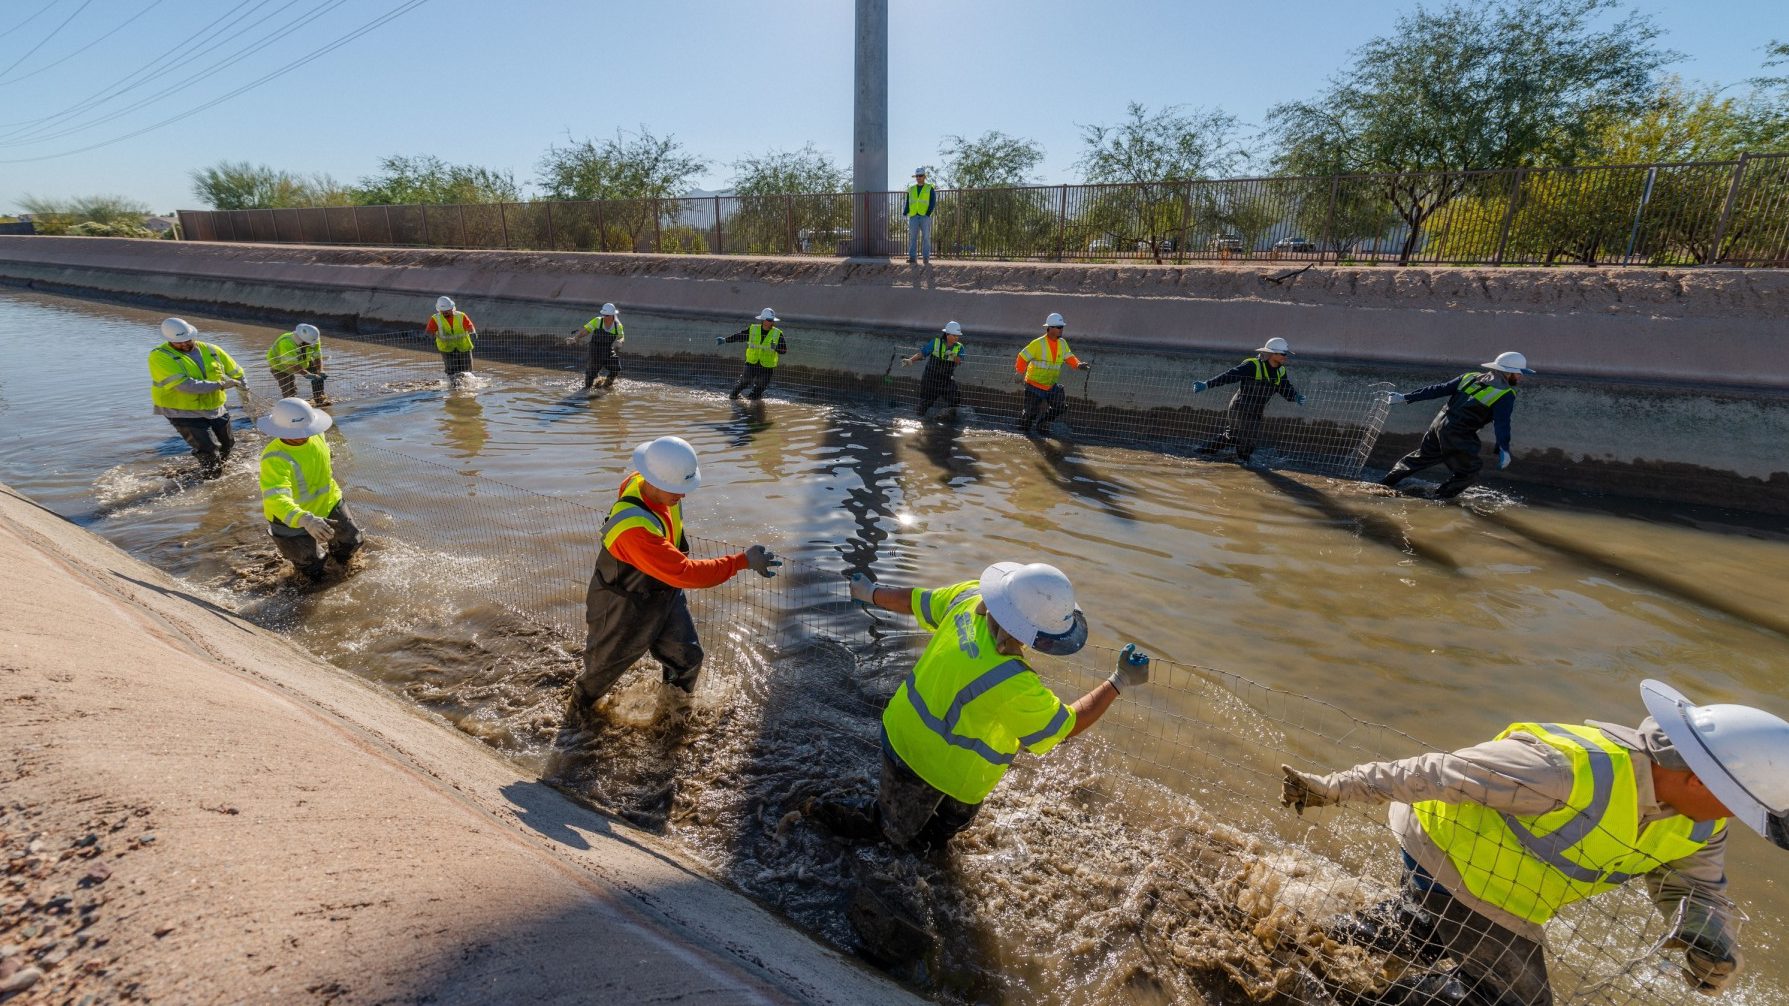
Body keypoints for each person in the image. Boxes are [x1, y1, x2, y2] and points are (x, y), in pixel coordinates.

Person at [1278, 678, 1789, 1005]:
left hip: (1505, 889)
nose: (1736, 818)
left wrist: (1713, 941)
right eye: (1740, 804)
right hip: (1442, 848)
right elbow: (1442, 773)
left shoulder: (1702, 823)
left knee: (1426, 932)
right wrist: (1333, 788)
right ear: (1702, 780)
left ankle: (1304, 941)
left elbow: (1696, 892)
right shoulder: (1568, 768)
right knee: (1512, 1000)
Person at [810, 563, 1151, 853]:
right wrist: (1119, 681)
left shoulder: (969, 597)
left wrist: (870, 593)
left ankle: (917, 857)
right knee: (892, 832)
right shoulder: (1013, 681)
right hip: (923, 762)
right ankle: (814, 814)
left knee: (930, 831)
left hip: (912, 742)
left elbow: (916, 601)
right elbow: (1066, 724)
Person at [576, 436, 783, 712]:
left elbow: (675, 571)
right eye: (676, 488)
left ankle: (671, 714)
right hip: (621, 604)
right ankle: (576, 716)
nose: (683, 495)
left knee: (688, 659)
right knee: (600, 674)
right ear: (653, 480)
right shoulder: (634, 530)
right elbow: (686, 573)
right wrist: (740, 561)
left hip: (663, 593)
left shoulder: (647, 481)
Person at [1378, 351, 1531, 499]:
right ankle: (1437, 499)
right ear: (1506, 372)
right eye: (1518, 373)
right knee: (1469, 472)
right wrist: (1503, 448)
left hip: (1438, 425)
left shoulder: (1469, 377)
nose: (1520, 376)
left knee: (1418, 459)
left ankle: (1383, 485)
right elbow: (1502, 423)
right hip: (1458, 433)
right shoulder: (1505, 394)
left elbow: (1438, 389)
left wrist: (1405, 397)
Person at [257, 397, 364, 581]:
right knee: (311, 565)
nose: (304, 434)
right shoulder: (274, 458)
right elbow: (276, 500)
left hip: (329, 502)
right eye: (296, 432)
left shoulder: (316, 434)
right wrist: (305, 519)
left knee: (351, 542)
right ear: (281, 430)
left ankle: (342, 570)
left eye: (306, 429)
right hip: (289, 519)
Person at [148, 317, 247, 476]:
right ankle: (211, 481)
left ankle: (219, 470)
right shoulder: (159, 356)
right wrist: (220, 385)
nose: (184, 344)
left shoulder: (212, 349)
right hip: (182, 410)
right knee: (208, 449)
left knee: (228, 443)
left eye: (187, 340)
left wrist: (243, 385)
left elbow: (236, 371)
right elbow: (185, 385)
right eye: (178, 342)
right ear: (169, 340)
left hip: (215, 406)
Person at [1192, 337, 1306, 466]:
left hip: (1256, 410)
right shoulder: (1252, 365)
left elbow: (1285, 388)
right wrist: (1207, 384)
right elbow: (1229, 376)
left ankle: (1202, 452)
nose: (1286, 357)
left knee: (1233, 436)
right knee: (1247, 440)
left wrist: (1295, 397)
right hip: (1240, 408)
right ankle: (1244, 466)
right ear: (1272, 354)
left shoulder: (1280, 371)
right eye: (1283, 354)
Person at [1014, 312, 1091, 436]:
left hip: (1051, 385)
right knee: (1030, 414)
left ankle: (1042, 423)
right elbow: (1022, 357)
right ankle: (1023, 432)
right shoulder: (1038, 343)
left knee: (1060, 407)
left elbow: (1069, 356)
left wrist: (1078, 364)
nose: (1061, 330)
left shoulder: (1062, 343)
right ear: (1049, 328)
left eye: (1062, 327)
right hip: (1034, 385)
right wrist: (1019, 372)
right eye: (1059, 327)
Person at [718, 308, 788, 401]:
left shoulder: (778, 333)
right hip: (752, 363)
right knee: (745, 382)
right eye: (770, 320)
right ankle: (733, 396)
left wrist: (775, 348)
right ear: (763, 320)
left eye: (772, 320)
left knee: (761, 386)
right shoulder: (753, 329)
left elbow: (784, 350)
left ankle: (752, 401)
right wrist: (725, 340)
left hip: (767, 365)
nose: (772, 322)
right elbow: (739, 336)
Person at [904, 321, 964, 418]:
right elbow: (923, 353)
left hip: (946, 380)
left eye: (958, 336)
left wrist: (953, 356)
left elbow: (959, 362)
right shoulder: (936, 342)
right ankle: (918, 419)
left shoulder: (959, 347)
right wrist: (911, 360)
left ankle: (948, 417)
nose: (957, 338)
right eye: (954, 335)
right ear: (947, 334)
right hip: (930, 379)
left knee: (955, 399)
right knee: (924, 403)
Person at [266, 323, 328, 405]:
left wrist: (320, 370)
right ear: (302, 340)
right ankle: (291, 405)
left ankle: (320, 399)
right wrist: (306, 374)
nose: (311, 345)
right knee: (289, 389)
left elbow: (317, 356)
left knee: (318, 375)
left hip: (302, 360)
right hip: (280, 366)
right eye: (308, 343)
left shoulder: (313, 339)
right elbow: (291, 365)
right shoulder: (286, 343)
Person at [426, 296, 477, 377]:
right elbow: (429, 331)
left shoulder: (461, 316)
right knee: (451, 373)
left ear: (452, 308)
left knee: (467, 372)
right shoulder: (435, 318)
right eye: (443, 311)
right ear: (439, 310)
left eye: (447, 310)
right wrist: (429, 337)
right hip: (447, 349)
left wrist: (473, 333)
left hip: (463, 347)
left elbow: (470, 326)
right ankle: (454, 387)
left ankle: (465, 387)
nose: (445, 312)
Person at [580, 303, 625, 390]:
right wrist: (575, 338)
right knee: (592, 372)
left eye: (606, 315)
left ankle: (606, 385)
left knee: (616, 368)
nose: (604, 316)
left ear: (612, 315)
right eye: (603, 314)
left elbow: (621, 336)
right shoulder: (597, 321)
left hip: (608, 350)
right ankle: (586, 389)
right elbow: (586, 331)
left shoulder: (618, 326)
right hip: (595, 349)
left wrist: (620, 341)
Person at [904, 167, 935, 265]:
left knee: (926, 237)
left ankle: (926, 258)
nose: (918, 177)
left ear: (924, 177)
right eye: (917, 176)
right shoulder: (911, 189)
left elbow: (933, 201)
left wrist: (928, 213)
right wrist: (905, 213)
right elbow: (908, 202)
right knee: (913, 237)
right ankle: (913, 258)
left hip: (924, 216)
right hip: (913, 216)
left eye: (920, 175)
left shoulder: (929, 188)